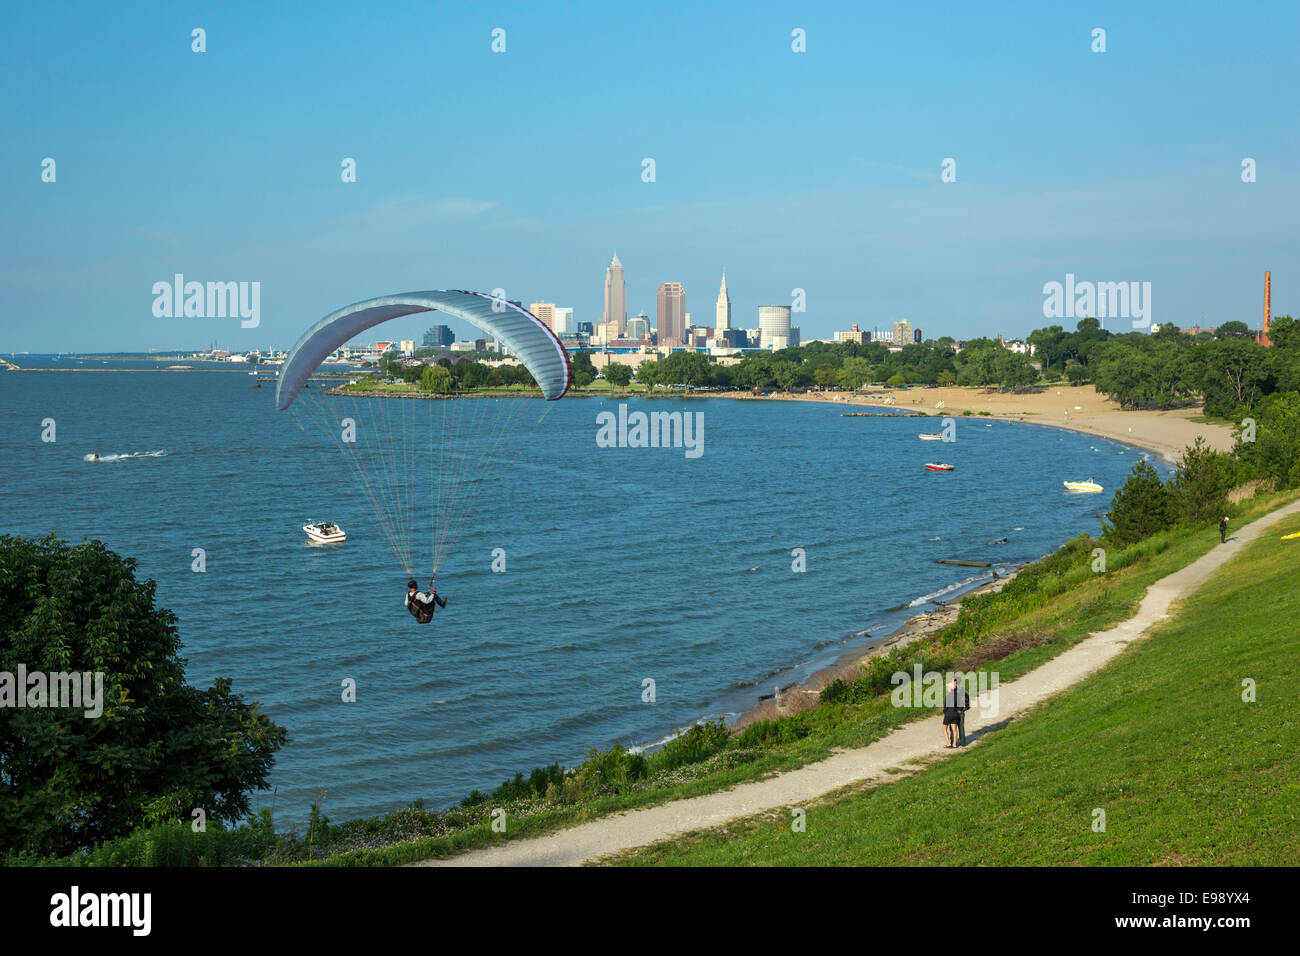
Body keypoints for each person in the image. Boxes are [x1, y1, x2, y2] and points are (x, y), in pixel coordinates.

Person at [942, 676, 963, 748]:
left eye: (948, 687)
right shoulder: (957, 695)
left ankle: (948, 743)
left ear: (950, 688)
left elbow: (945, 707)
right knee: (954, 729)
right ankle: (954, 744)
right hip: (956, 713)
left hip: (948, 713)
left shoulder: (948, 696)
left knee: (944, 728)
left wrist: (945, 712)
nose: (947, 688)